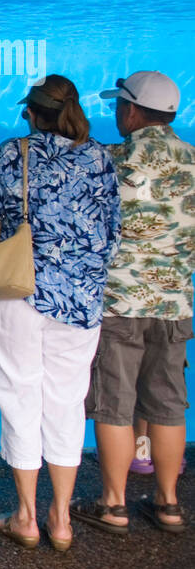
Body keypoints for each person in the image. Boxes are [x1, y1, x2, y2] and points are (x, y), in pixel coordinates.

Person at [0, 75, 120, 550]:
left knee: (19, 394)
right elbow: (113, 232)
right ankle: (61, 520)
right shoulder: (100, 157)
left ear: (32, 112)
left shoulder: (15, 152)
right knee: (67, 402)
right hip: (80, 300)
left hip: (18, 291)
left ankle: (26, 517)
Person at [74, 70, 191, 535]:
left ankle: (114, 504)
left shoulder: (109, 160)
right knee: (168, 404)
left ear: (133, 110)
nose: (116, 113)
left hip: (119, 303)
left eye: (118, 106)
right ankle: (168, 504)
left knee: (114, 406)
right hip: (176, 305)